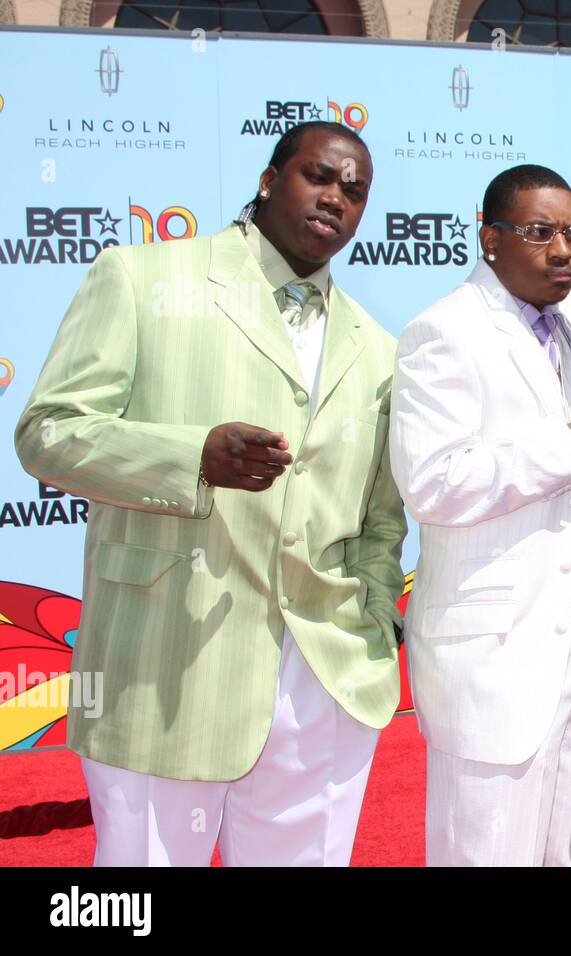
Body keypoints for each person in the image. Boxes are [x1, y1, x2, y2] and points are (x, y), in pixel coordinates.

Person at [14, 122, 406, 866]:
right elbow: (50, 433)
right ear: (267, 178)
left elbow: (379, 519)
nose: (335, 199)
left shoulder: (377, 347)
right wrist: (189, 455)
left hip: (322, 679)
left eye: (354, 192)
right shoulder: (141, 277)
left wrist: (378, 614)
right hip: (168, 663)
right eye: (317, 176)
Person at [389, 164, 571, 867]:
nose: (562, 250)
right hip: (488, 660)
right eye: (538, 232)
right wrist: (568, 448)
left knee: (557, 854)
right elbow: (433, 483)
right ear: (490, 239)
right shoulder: (444, 332)